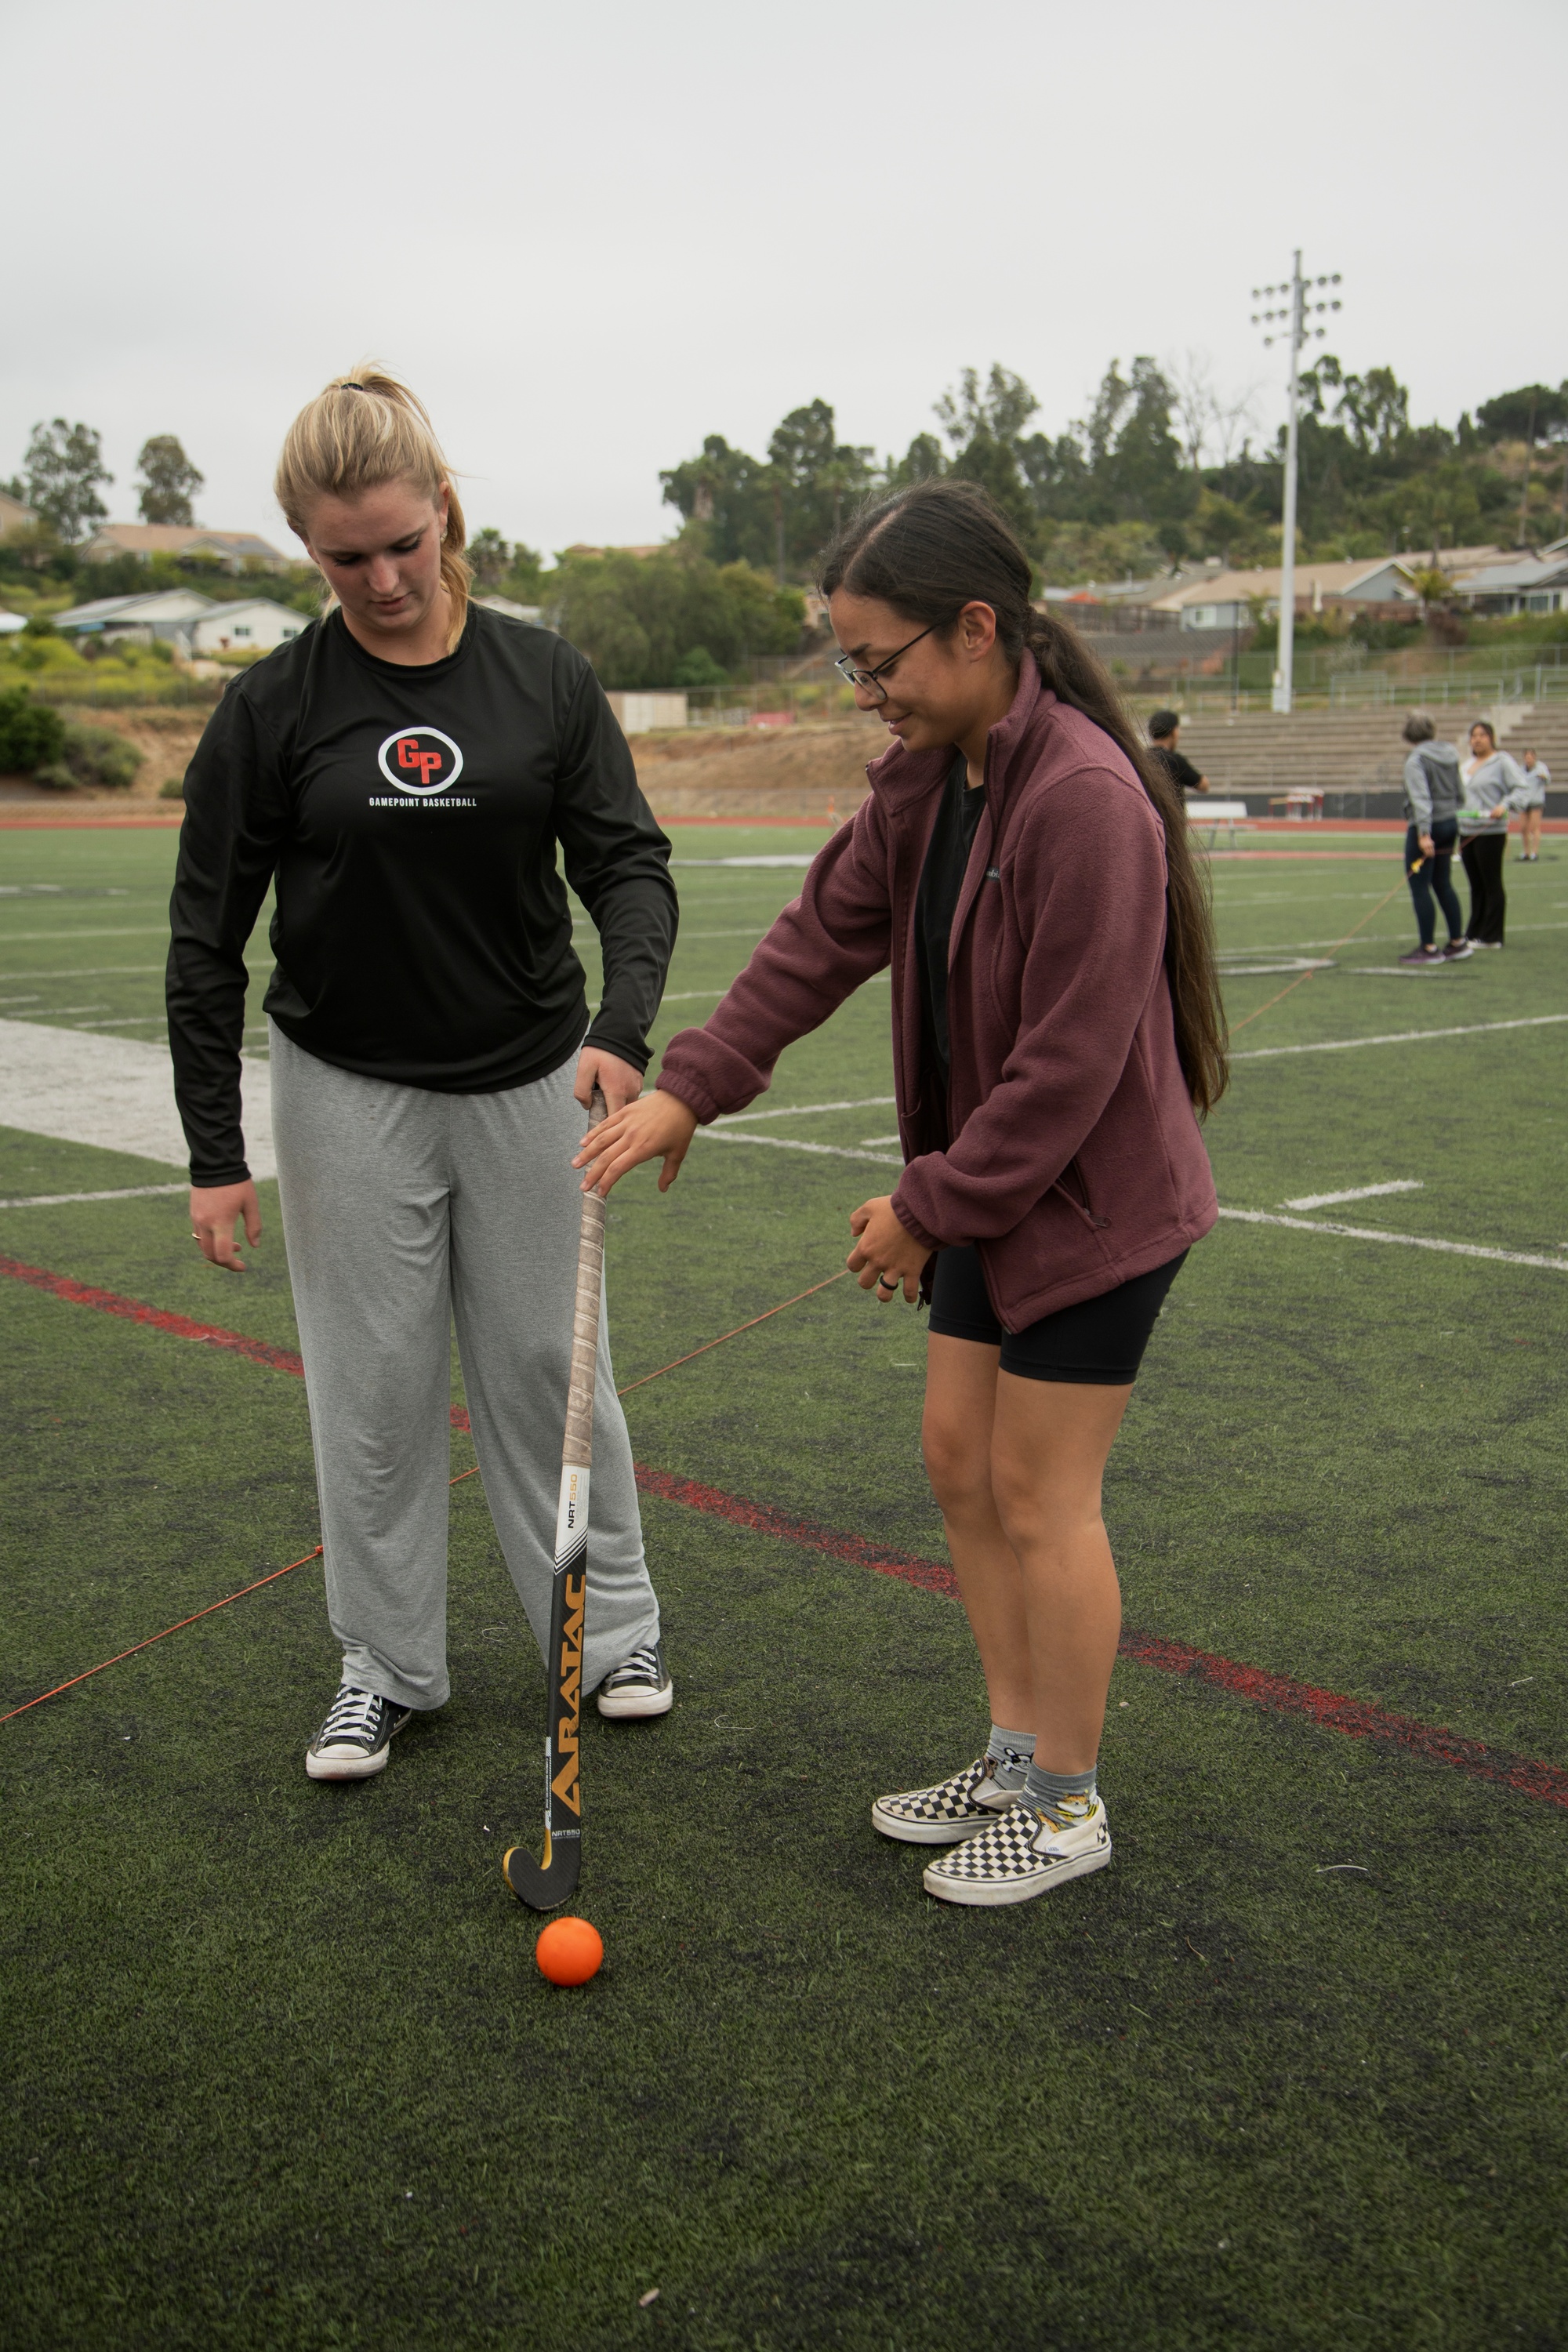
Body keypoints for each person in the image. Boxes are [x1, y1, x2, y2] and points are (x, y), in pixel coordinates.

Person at [576, 481, 1225, 1908]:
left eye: (880, 660)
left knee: (1045, 1495)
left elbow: (1067, 1069)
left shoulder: (1088, 801)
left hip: (1095, 1204)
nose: (866, 688)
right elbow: (818, 941)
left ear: (979, 629)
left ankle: (1065, 1805)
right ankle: (1012, 1751)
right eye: (848, 662)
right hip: (1000, 1190)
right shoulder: (932, 776)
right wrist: (693, 1082)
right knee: (958, 1460)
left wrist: (931, 1206)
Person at [166, 367, 680, 1782]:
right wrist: (217, 1154)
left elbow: (627, 866)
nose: (385, 578)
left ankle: (607, 1634)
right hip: (346, 1089)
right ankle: (385, 1666)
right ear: (307, 550)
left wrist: (623, 1029)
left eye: (406, 541)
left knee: (549, 1370)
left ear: (447, 512)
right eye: (347, 557)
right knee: (372, 1386)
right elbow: (205, 940)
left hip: (532, 1077)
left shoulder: (544, 679)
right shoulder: (272, 709)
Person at [1397, 711, 1471, 964]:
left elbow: (1421, 799)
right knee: (1443, 883)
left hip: (1429, 826)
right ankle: (1457, 942)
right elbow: (1461, 793)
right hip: (1450, 822)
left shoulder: (1416, 761)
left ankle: (1428, 947)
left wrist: (1424, 832)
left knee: (1419, 885)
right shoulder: (1451, 755)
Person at [1457, 720, 1530, 947]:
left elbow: (1522, 788)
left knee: (1491, 882)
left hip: (1490, 830)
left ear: (1492, 738)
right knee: (1475, 884)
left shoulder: (1502, 761)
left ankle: (1492, 936)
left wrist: (1505, 805)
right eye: (1474, 735)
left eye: (1482, 735)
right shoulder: (1467, 764)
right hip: (1467, 829)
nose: (1477, 739)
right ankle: (1474, 931)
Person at [1147, 708, 1210, 796]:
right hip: (1170, 809)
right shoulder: (1175, 761)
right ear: (1174, 732)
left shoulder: (1141, 758)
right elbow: (1204, 786)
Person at [1519, 748, 1549, 862]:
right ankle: (1526, 852)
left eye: (1530, 757)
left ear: (1534, 758)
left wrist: (1543, 777)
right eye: (1526, 757)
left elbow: (1547, 780)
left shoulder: (1541, 768)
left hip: (1536, 801)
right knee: (1523, 828)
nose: (1528, 759)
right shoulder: (1521, 769)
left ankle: (1534, 852)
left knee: (1534, 827)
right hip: (1524, 802)